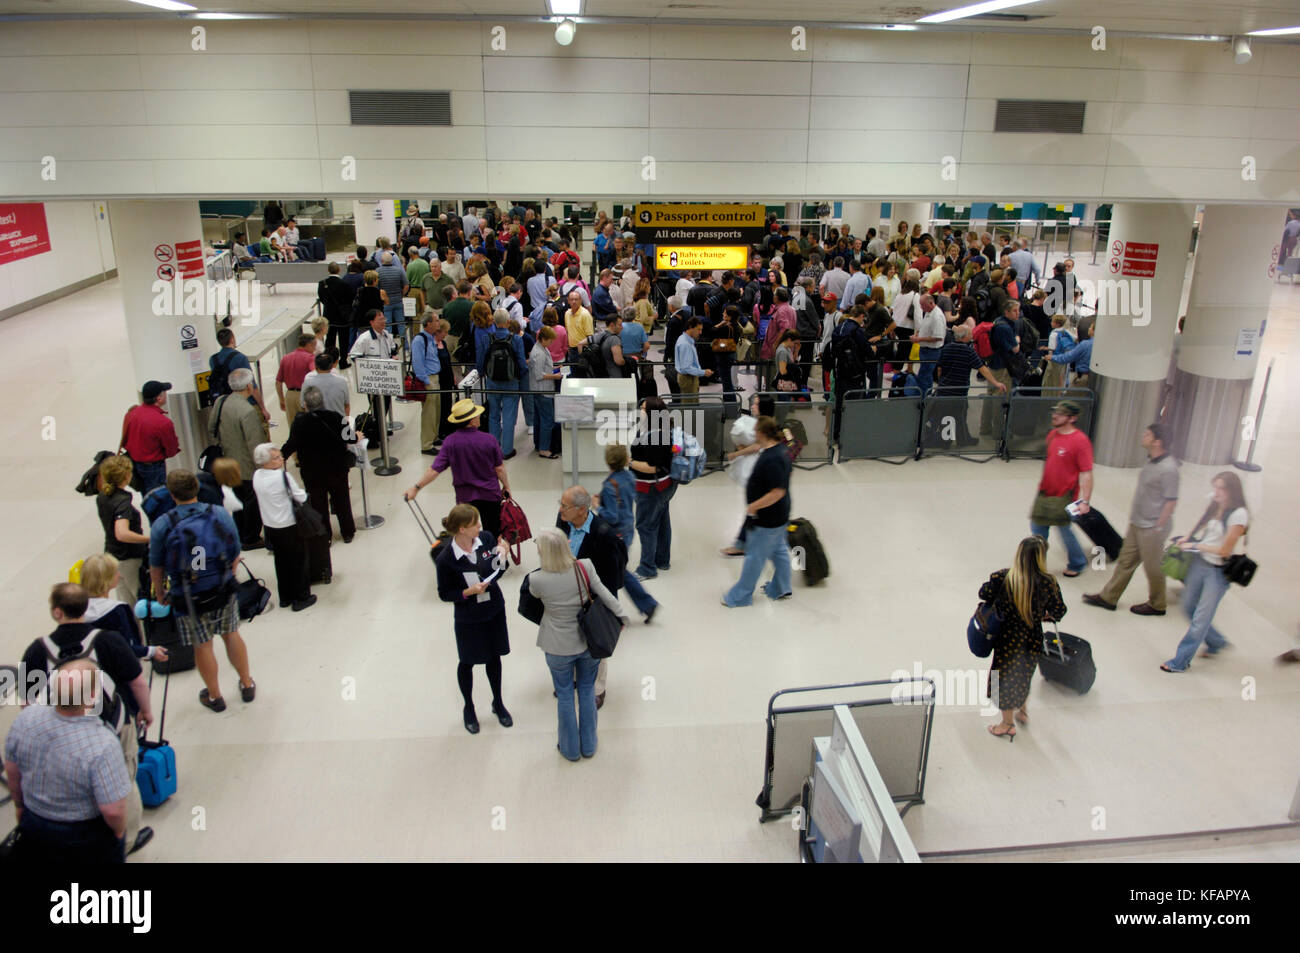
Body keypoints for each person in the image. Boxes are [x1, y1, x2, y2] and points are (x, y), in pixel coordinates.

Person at [21, 581, 154, 857]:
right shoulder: (108, 641)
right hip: (112, 729)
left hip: (61, 735)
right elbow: (137, 681)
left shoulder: (37, 651)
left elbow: (27, 703)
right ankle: (126, 840)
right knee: (123, 782)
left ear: (56, 612)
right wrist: (146, 711)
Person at [4, 659, 133, 863]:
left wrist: (20, 806)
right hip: (84, 835)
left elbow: (12, 770)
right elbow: (113, 810)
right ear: (93, 697)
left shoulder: (26, 719)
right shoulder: (103, 744)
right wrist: (118, 834)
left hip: (35, 822)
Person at [148, 469, 256, 713]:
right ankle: (247, 683)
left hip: (187, 595)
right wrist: (228, 576)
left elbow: (157, 565)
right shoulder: (218, 513)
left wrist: (159, 592)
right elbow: (235, 551)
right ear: (196, 488)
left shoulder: (163, 524)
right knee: (231, 634)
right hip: (221, 587)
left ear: (171, 494)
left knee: (202, 644)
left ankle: (215, 696)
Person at [525, 527, 629, 760]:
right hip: (586, 643)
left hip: (556, 645)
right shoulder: (585, 567)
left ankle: (570, 749)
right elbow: (605, 594)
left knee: (564, 695)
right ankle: (589, 745)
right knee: (586, 691)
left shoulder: (537, 579)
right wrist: (622, 616)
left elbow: (533, 598)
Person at [433, 503, 513, 735]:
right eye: (474, 524)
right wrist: (468, 593)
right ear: (460, 530)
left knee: (494, 657)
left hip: (494, 609)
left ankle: (498, 702)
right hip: (469, 617)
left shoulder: (486, 539)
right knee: (467, 661)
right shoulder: (446, 559)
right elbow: (444, 593)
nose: (480, 526)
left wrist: (503, 554)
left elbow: (498, 570)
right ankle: (469, 707)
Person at [1084, 424, 1179, 616]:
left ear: (1157, 442)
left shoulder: (1169, 469)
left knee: (1153, 568)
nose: (1143, 436)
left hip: (1152, 527)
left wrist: (1158, 527)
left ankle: (1157, 604)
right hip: (1138, 523)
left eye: (1148, 435)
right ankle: (1109, 597)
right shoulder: (1151, 461)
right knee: (1125, 561)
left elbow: (1171, 501)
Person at [979, 536, 1068, 741]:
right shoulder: (1048, 582)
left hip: (1007, 639)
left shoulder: (1004, 577)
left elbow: (984, 593)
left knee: (1002, 680)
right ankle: (1023, 711)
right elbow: (1059, 611)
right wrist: (1042, 614)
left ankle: (1007, 724)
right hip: (1032, 638)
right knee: (1024, 675)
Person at [1161, 472, 1250, 673]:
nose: (1216, 491)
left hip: (1217, 572)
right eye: (1215, 486)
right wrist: (1188, 539)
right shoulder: (1216, 503)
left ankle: (1180, 661)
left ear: (1231, 491)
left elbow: (1225, 550)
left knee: (1201, 618)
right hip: (1200, 563)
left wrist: (1197, 545)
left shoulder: (1239, 514)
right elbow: (1205, 526)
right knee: (1187, 606)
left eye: (1221, 488)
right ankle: (1216, 641)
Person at [556, 484, 631, 708]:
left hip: (593, 599)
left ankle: (598, 688)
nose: (560, 510)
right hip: (567, 596)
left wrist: (610, 610)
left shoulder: (603, 535)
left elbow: (613, 576)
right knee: (572, 640)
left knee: (595, 642)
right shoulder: (563, 522)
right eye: (560, 504)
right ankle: (575, 680)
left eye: (565, 506)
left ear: (581, 510)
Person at [404, 399, 511, 538]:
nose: (479, 417)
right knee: (493, 532)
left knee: (466, 533)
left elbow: (434, 470)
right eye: (477, 415)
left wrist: (416, 488)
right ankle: (494, 558)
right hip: (490, 494)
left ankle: (469, 557)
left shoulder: (450, 442)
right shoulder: (489, 440)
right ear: (472, 421)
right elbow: (500, 469)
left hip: (464, 496)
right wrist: (506, 486)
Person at [722, 417, 794, 607]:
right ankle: (781, 587)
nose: (754, 433)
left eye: (755, 430)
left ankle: (740, 596)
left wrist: (754, 507)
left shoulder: (773, 458)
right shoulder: (779, 451)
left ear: (762, 433)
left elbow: (778, 491)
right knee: (779, 551)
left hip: (768, 518)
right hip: (780, 515)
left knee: (754, 556)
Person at [281, 385, 357, 549]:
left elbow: (291, 444)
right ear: (323, 402)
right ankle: (347, 532)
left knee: (318, 504)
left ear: (305, 405)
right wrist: (357, 436)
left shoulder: (300, 422)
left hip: (312, 471)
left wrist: (280, 456)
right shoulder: (336, 417)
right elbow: (349, 438)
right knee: (342, 500)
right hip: (337, 468)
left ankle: (325, 535)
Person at [1029, 400, 1093, 577]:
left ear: (1072, 418)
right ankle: (1035, 565)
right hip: (1045, 492)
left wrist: (1085, 502)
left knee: (1064, 530)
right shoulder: (1052, 435)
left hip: (1064, 495)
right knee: (1037, 528)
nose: (1054, 415)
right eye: (1055, 412)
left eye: (1060, 413)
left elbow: (1087, 473)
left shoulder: (1080, 441)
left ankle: (1078, 562)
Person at [209, 367, 271, 548]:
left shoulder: (221, 401)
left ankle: (239, 532)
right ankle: (251, 537)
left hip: (226, 461)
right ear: (248, 386)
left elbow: (211, 428)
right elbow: (255, 443)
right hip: (245, 465)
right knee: (251, 501)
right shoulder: (247, 411)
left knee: (236, 500)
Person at [252, 442, 318, 609]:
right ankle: (301, 598)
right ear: (265, 461)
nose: (281, 459)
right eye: (275, 458)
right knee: (298, 561)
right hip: (288, 525)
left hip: (270, 525)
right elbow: (300, 497)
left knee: (281, 562)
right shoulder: (282, 477)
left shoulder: (257, 476)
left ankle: (285, 597)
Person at [628, 397, 676, 580]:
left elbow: (652, 467)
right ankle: (662, 560)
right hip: (665, 486)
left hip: (650, 488)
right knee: (662, 522)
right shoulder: (662, 430)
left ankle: (647, 568)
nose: (640, 410)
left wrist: (629, 461)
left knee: (645, 525)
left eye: (643, 408)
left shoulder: (655, 435)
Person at [95, 454, 150, 605]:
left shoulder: (102, 496)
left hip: (112, 556)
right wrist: (149, 539)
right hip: (130, 557)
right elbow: (122, 533)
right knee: (141, 603)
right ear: (126, 476)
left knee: (125, 602)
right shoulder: (123, 502)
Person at [477, 310, 527, 459]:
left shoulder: (487, 339)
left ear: (494, 321)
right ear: (508, 321)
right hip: (511, 382)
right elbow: (521, 363)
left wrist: (482, 372)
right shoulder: (516, 339)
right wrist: (520, 376)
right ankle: (506, 450)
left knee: (493, 415)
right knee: (509, 416)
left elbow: (480, 360)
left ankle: (493, 448)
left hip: (492, 382)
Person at [119, 381, 180, 493]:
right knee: (158, 498)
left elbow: (125, 437)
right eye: (165, 392)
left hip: (134, 463)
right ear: (159, 398)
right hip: (154, 467)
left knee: (146, 494)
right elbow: (171, 450)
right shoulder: (163, 423)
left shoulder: (132, 413)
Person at [208, 328, 270, 421]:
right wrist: (263, 408)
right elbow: (252, 386)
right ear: (232, 339)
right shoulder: (240, 358)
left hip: (226, 405)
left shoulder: (213, 359)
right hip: (245, 404)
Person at [412, 312, 443, 456]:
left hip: (435, 377)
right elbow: (417, 363)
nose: (439, 323)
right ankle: (426, 444)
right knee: (429, 413)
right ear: (428, 324)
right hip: (428, 379)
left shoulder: (431, 338)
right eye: (436, 321)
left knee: (436, 411)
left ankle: (434, 436)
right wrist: (426, 381)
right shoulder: (419, 340)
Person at [529, 326, 562, 459]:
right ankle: (544, 449)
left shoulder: (542, 349)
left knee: (539, 419)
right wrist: (555, 376)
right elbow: (539, 375)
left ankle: (539, 444)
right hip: (543, 390)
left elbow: (544, 368)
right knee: (547, 420)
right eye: (549, 341)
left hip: (540, 390)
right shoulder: (539, 353)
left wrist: (555, 368)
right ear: (543, 339)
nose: (551, 343)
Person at [275, 332, 317, 426]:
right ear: (309, 345)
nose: (314, 349)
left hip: (289, 396)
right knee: (308, 426)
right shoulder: (310, 358)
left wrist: (282, 399)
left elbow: (278, 382)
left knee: (293, 426)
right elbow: (314, 374)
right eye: (314, 346)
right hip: (305, 395)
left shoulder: (285, 358)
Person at [302, 349, 350, 418]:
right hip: (337, 422)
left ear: (316, 366)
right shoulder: (342, 381)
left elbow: (304, 405)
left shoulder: (307, 381)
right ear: (331, 366)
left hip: (315, 423)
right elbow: (346, 405)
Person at [674, 317, 712, 402]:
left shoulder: (684, 339)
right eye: (698, 329)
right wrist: (703, 372)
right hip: (688, 378)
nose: (700, 332)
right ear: (690, 327)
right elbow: (686, 368)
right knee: (690, 407)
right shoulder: (685, 344)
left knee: (691, 405)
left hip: (689, 377)